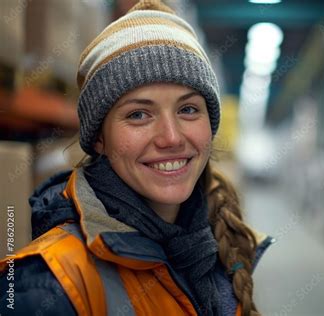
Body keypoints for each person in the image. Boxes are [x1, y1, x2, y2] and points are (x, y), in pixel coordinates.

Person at [0, 1, 274, 315]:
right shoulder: (46, 286)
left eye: (188, 109)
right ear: (99, 139)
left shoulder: (222, 249)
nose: (171, 137)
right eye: (139, 114)